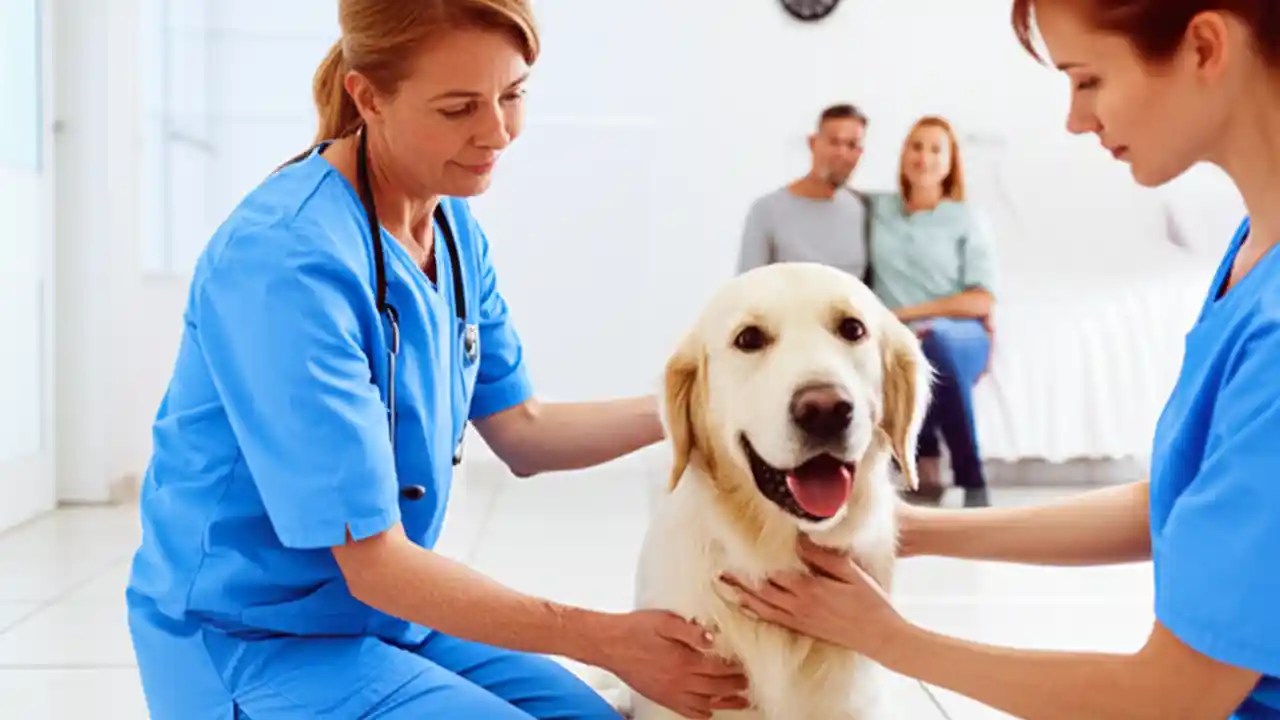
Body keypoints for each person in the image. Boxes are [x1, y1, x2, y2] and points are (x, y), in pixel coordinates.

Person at [122, 2, 748, 719]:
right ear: (368, 97)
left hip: (385, 618)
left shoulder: (448, 226)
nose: (498, 133)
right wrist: (606, 639)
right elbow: (375, 562)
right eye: (458, 109)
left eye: (513, 96)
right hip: (257, 639)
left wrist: (701, 406)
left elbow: (524, 429)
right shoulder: (284, 263)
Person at [724, 1, 1280, 718]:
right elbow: (1182, 501)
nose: (1075, 119)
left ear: (1204, 47)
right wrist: (908, 529)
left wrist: (888, 637)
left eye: (1086, 80)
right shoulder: (1249, 255)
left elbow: (1170, 696)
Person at [866, 116, 998, 508]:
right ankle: (922, 462)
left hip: (961, 336)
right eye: (916, 146)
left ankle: (971, 478)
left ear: (950, 162)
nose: (924, 157)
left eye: (935, 149)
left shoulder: (967, 218)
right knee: (912, 350)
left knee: (935, 340)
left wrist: (910, 313)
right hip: (903, 338)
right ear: (903, 154)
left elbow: (981, 300)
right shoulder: (877, 210)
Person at [736, 103, 872, 282]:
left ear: (860, 152)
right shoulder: (767, 210)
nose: (842, 153)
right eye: (834, 142)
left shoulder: (864, 209)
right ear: (813, 143)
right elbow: (746, 290)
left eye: (851, 145)